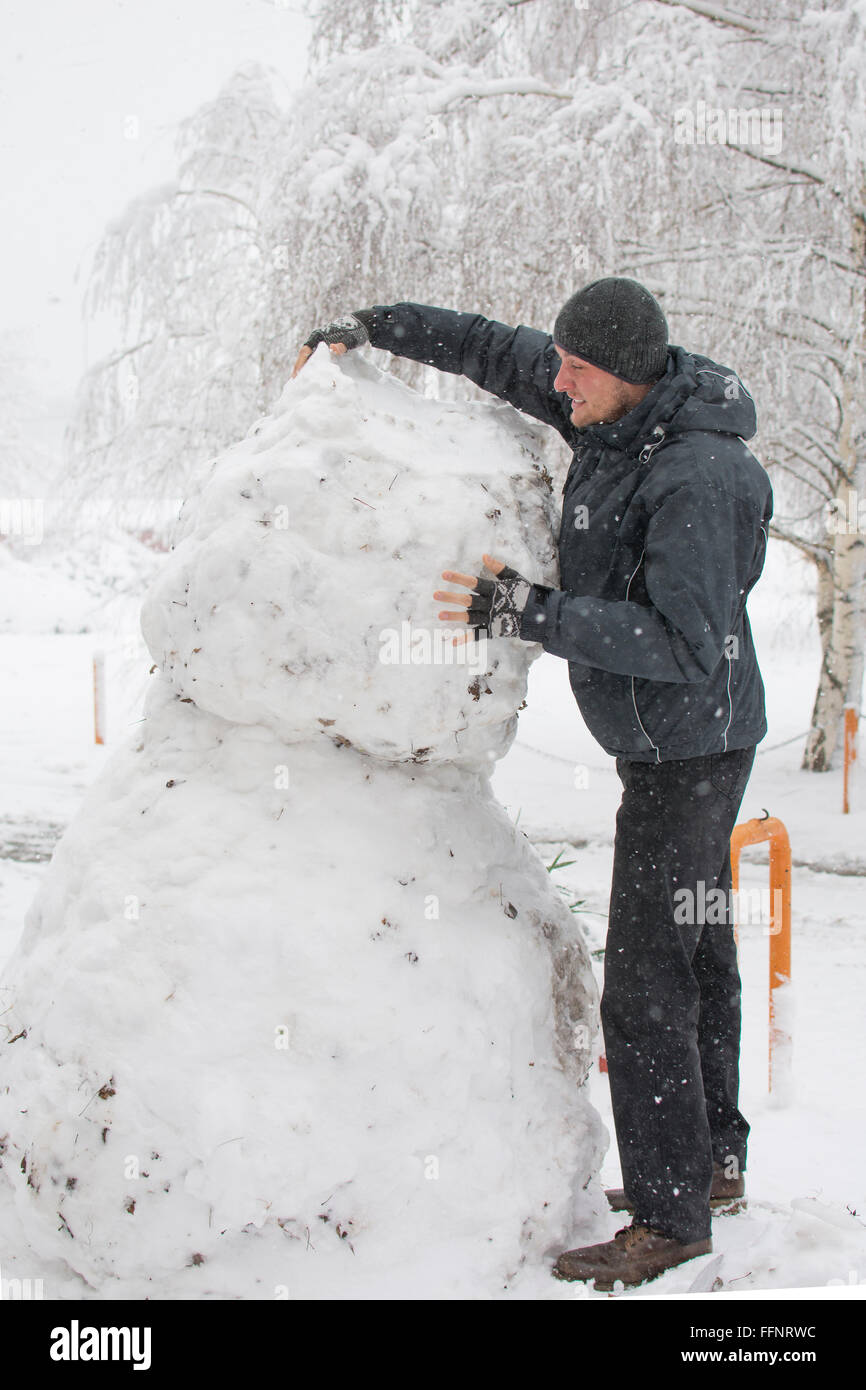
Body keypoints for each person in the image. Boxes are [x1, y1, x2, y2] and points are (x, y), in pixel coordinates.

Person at [293, 278, 773, 1290]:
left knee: (644, 983)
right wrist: (374, 328)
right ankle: (713, 1156)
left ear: (628, 376)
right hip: (679, 741)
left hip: (688, 752)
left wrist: (527, 610)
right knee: (697, 945)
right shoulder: (613, 405)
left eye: (576, 370)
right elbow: (494, 349)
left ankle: (670, 1213)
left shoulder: (695, 476)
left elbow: (686, 644)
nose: (556, 384)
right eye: (561, 365)